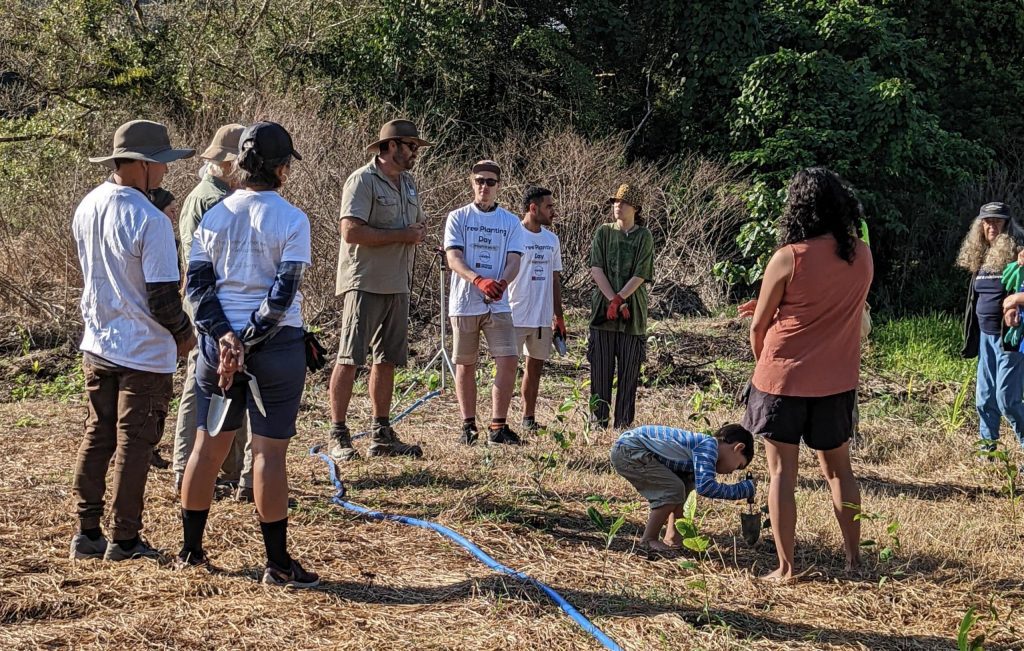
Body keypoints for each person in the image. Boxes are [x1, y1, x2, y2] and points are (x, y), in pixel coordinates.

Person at [178, 121, 319, 588]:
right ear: (282, 169)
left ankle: (191, 551)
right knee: (269, 453)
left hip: (216, 352)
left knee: (207, 444)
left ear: (240, 164)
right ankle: (277, 564)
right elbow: (282, 295)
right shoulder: (293, 220)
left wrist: (225, 339)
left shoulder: (213, 216)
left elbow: (197, 288)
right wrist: (247, 340)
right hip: (275, 349)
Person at [69, 120, 196, 561]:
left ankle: (87, 532)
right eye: (161, 164)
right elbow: (161, 297)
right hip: (142, 349)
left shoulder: (89, 204)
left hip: (99, 340)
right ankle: (124, 539)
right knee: (135, 444)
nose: (165, 173)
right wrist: (185, 335)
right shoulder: (149, 220)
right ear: (143, 165)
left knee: (97, 434)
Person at [742, 167, 872, 582]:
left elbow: (759, 328)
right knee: (840, 471)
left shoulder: (787, 256)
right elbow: (832, 306)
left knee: (781, 474)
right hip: (836, 380)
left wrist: (766, 363)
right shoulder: (862, 255)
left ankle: (786, 567)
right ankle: (854, 560)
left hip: (783, 379)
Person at [328, 119, 430, 460]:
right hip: (365, 282)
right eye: (410, 146)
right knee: (350, 357)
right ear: (390, 146)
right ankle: (338, 434)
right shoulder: (361, 181)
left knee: (387, 360)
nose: (415, 152)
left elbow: (414, 224)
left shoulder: (409, 183)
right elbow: (351, 232)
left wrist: (417, 231)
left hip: (397, 283)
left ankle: (381, 433)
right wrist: (403, 235)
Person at [172, 124, 256, 502]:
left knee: (225, 380)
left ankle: (227, 469)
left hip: (206, 297)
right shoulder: (215, 199)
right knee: (202, 381)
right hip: (211, 302)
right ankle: (189, 468)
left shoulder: (210, 194)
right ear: (228, 163)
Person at [444, 160, 525, 445]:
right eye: (480, 180)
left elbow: (515, 259)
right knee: (465, 362)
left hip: (498, 303)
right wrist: (478, 280)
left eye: (490, 182)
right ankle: (468, 426)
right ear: (471, 182)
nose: (484, 187)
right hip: (465, 301)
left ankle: (497, 426)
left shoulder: (510, 222)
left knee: (509, 358)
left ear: (498, 186)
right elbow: (453, 257)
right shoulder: (458, 217)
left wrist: (502, 282)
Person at [610, 424, 755, 552]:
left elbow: (688, 488)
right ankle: (648, 539)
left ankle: (673, 539)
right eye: (739, 466)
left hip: (630, 447)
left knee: (685, 485)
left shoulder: (702, 447)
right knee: (673, 489)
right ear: (738, 448)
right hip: (630, 449)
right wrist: (742, 490)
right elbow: (706, 487)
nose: (732, 472)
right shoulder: (709, 446)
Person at [958, 202, 1024, 452]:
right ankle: (987, 450)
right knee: (985, 398)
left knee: (1007, 400)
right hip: (985, 336)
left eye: (997, 221)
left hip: (1011, 337)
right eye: (986, 221)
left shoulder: (1019, 253)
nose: (991, 225)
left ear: (1007, 225)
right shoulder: (981, 256)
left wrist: (1014, 305)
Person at [588, 183, 654, 429]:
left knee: (628, 373)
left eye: (623, 202)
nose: (618, 205)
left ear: (635, 208)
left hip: (632, 311)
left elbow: (641, 273)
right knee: (600, 369)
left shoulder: (643, 236)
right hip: (603, 311)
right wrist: (611, 299)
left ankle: (623, 423)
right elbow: (597, 268)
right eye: (615, 201)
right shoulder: (603, 232)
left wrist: (621, 298)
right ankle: (597, 421)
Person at [508, 186, 564, 432]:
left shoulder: (552, 240)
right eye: (549, 206)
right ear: (533, 208)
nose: (553, 211)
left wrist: (558, 316)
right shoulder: (513, 234)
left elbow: (555, 279)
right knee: (507, 368)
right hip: (514, 312)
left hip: (542, 317)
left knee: (535, 367)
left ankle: (528, 418)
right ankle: (498, 420)